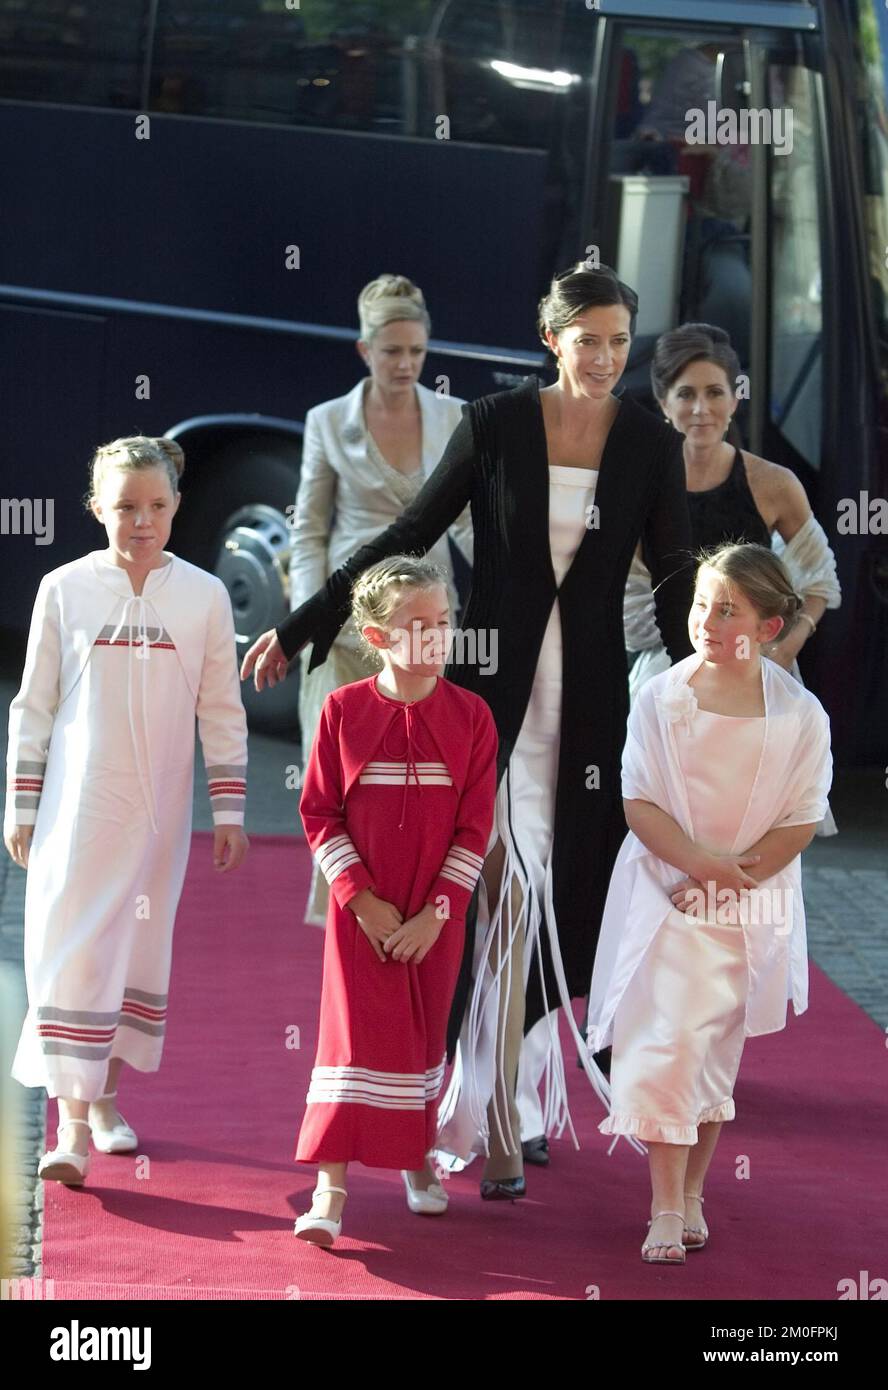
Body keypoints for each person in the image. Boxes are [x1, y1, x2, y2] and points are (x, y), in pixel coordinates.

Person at [242, 262, 695, 1197]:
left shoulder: (649, 441)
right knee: (491, 888)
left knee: (557, 890)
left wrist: (727, 658)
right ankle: (467, 1111)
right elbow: (409, 530)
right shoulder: (495, 425)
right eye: (589, 339)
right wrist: (304, 622)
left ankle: (510, 1102)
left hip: (592, 707)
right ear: (552, 338)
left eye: (620, 341)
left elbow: (680, 572)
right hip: (490, 697)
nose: (606, 358)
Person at [4, 436, 249, 1185]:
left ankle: (106, 1103)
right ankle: (70, 1128)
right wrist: (21, 803)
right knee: (74, 953)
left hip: (155, 822)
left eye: (156, 507)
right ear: (95, 510)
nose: (141, 521)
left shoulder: (204, 595)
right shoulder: (63, 588)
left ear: (175, 505)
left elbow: (220, 704)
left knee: (134, 953)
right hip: (74, 817)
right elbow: (33, 703)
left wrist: (230, 807)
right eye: (124, 508)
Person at [588, 543, 832, 1263]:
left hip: (745, 903)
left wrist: (728, 881)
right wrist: (695, 869)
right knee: (666, 1044)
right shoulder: (664, 696)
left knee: (711, 1052)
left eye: (727, 609)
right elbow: (640, 798)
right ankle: (664, 1206)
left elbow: (800, 818)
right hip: (666, 895)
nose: (707, 619)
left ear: (767, 625)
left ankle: (692, 1191)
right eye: (701, 602)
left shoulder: (798, 716)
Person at [292, 557, 497, 1246]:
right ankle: (329, 1188)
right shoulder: (342, 711)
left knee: (422, 1036)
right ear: (377, 639)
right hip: (363, 917)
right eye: (418, 626)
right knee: (349, 1042)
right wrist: (361, 901)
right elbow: (320, 813)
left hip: (436, 920)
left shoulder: (472, 718)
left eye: (444, 622)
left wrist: (437, 914)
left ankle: (417, 1164)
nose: (437, 637)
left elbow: (475, 828)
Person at [290, 273, 473, 926]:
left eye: (417, 352)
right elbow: (309, 530)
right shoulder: (327, 422)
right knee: (342, 781)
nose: (405, 364)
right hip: (345, 631)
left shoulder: (453, 417)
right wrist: (312, 616)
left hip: (424, 629)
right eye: (392, 351)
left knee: (418, 777)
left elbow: (472, 526)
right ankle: (346, 913)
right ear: (365, 350)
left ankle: (414, 903)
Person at [624, 321, 840, 832]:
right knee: (665, 820)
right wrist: (689, 670)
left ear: (735, 398)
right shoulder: (637, 487)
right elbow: (632, 600)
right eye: (687, 394)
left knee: (758, 823)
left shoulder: (772, 483)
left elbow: (819, 580)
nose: (701, 409)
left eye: (715, 392)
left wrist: (782, 651)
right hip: (663, 677)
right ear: (663, 401)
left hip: (758, 680)